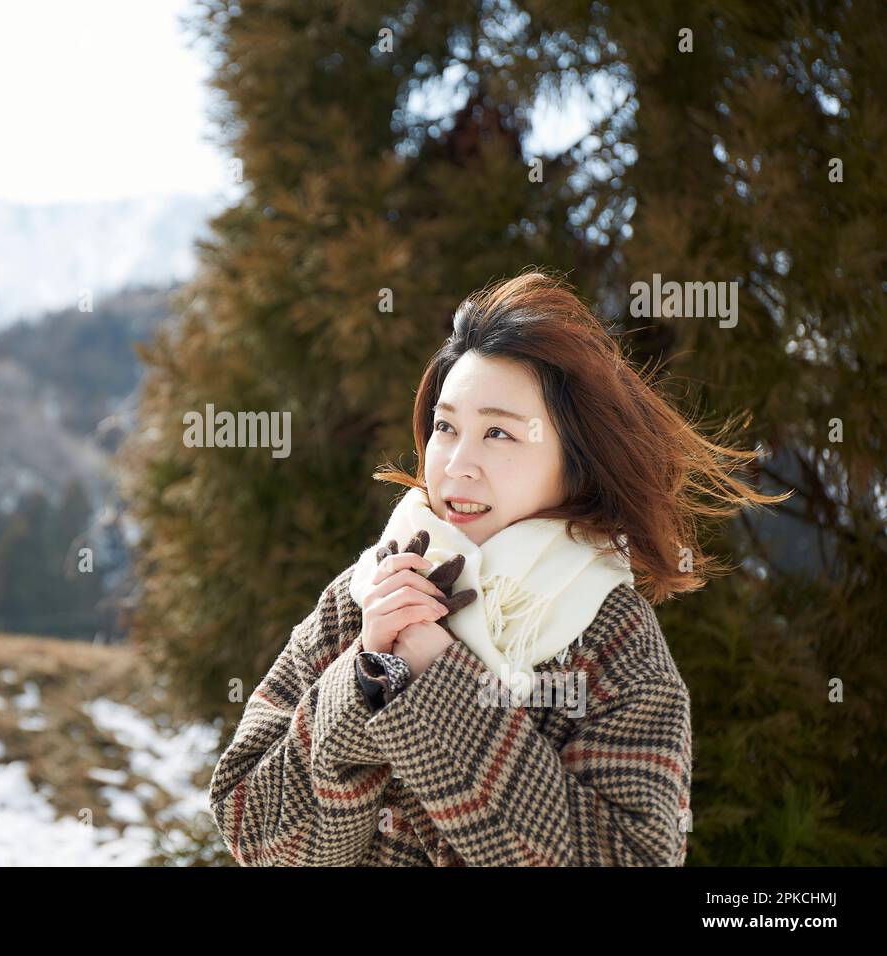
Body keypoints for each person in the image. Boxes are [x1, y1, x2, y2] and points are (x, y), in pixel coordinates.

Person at [208, 270, 790, 866]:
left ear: (576, 460)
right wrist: (361, 682)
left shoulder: (614, 640)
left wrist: (435, 681)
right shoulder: (367, 592)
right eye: (446, 427)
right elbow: (253, 833)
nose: (459, 464)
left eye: (499, 434)